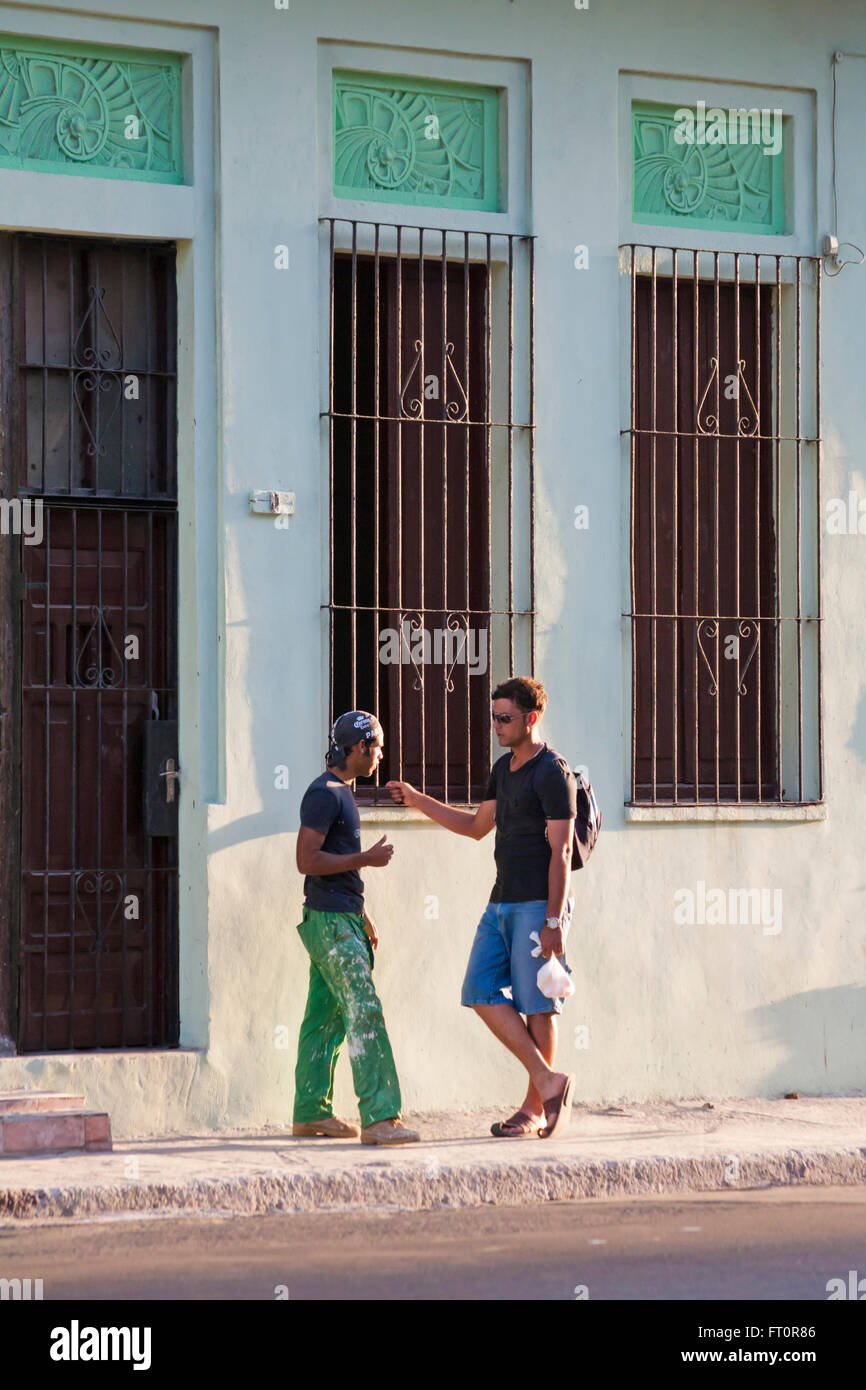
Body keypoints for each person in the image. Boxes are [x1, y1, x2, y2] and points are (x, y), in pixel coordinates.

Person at [386, 676, 577, 1139]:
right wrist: (416, 800)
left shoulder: (553, 772)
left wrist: (553, 919)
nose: (496, 725)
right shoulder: (503, 768)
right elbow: (475, 827)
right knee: (478, 989)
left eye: (505, 717)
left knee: (538, 1006)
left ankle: (536, 1107)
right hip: (500, 901)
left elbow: (562, 851)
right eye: (493, 717)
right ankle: (549, 1081)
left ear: (531, 718)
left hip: (537, 905)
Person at [292, 710, 419, 1146]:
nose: (381, 755)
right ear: (359, 747)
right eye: (377, 747)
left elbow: (331, 868)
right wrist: (365, 860)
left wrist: (359, 912)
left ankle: (311, 1113)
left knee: (324, 1019)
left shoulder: (342, 792)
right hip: (329, 924)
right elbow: (306, 861)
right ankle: (381, 1117)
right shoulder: (325, 794)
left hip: (337, 916)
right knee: (364, 1011)